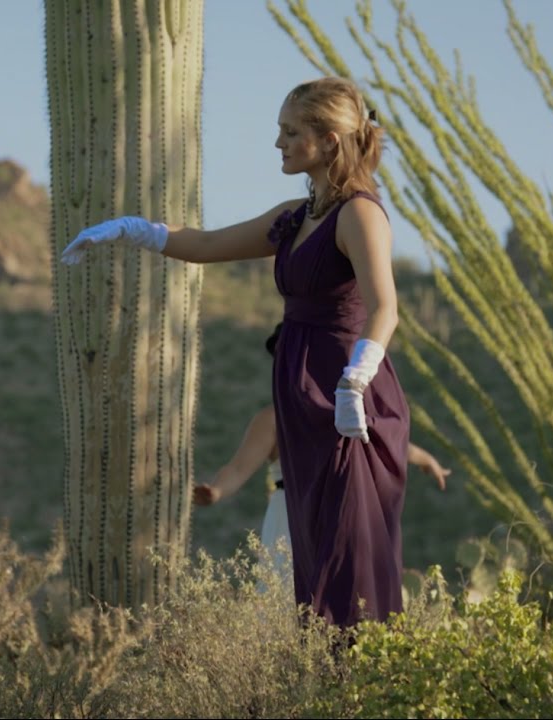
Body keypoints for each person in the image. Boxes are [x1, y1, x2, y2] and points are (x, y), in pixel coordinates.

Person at [61, 77, 409, 627]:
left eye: (291, 132)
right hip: (301, 392)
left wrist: (355, 381)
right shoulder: (297, 216)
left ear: (331, 141)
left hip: (347, 398)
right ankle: (322, 685)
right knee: (313, 553)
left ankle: (367, 685)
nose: (278, 143)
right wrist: (131, 232)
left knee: (350, 554)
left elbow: (384, 306)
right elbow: (204, 245)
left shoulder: (359, 214)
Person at [194, 323, 450, 594]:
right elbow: (237, 469)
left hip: (343, 513)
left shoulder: (344, 409)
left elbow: (386, 443)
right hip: (291, 519)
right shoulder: (272, 420)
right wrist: (216, 492)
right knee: (285, 595)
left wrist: (426, 460)